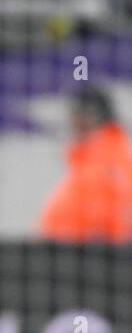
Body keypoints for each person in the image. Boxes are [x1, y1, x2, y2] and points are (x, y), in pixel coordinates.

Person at [39, 88, 132, 243]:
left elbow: (112, 226)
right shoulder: (91, 162)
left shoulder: (106, 163)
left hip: (84, 261)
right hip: (67, 259)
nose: (72, 123)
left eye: (77, 115)